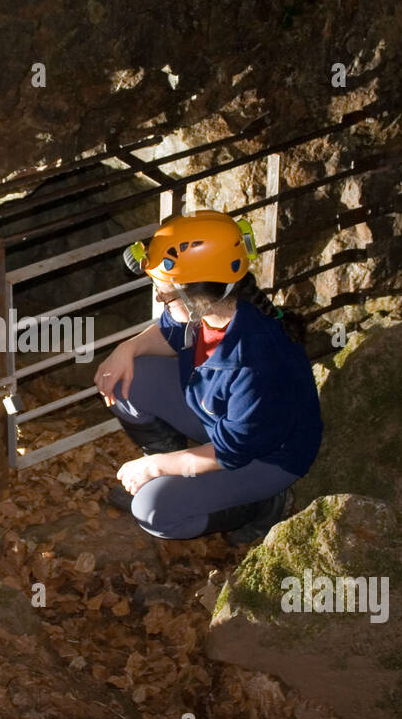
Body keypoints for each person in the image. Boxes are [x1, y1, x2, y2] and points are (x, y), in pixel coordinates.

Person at [93, 209, 322, 547]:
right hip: (217, 418)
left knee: (153, 511)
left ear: (195, 295)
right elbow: (169, 334)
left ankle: (262, 504)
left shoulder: (256, 360)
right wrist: (128, 347)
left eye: (164, 292)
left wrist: (156, 467)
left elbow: (230, 452)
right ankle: (176, 473)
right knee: (127, 377)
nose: (157, 298)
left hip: (267, 458)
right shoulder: (215, 308)